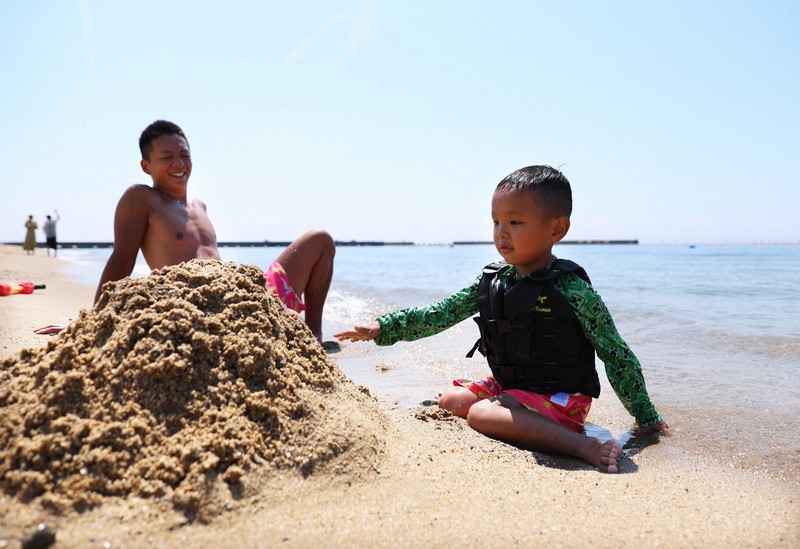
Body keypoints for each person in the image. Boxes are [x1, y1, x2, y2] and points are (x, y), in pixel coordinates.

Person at [335, 165, 671, 473]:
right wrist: (384, 327)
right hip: (514, 385)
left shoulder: (573, 289)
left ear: (557, 228)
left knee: (480, 413)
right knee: (453, 402)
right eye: (496, 222)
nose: (501, 233)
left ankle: (584, 445)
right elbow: (442, 313)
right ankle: (519, 414)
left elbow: (617, 354)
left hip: (560, 397)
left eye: (515, 222)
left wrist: (647, 418)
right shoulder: (494, 280)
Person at [89, 119, 336, 344]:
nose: (178, 163)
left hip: (249, 300)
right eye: (167, 157)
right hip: (205, 308)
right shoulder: (142, 198)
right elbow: (122, 259)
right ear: (146, 166)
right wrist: (94, 321)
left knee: (320, 239)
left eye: (184, 154)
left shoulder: (199, 205)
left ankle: (312, 336)